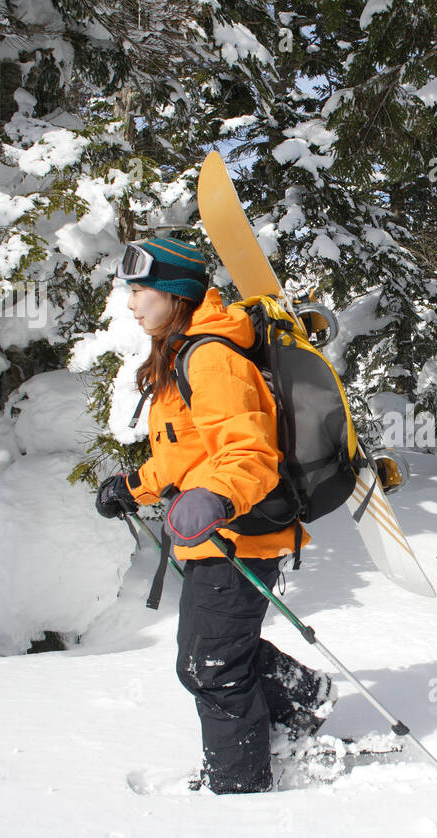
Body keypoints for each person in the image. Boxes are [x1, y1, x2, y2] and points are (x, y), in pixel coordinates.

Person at [92, 237, 333, 794]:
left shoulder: (213, 358)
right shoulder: (184, 354)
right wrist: (133, 487)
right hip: (212, 535)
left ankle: (239, 787)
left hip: (237, 535)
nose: (130, 302)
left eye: (140, 288)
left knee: (211, 668)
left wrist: (216, 498)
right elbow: (187, 450)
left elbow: (250, 454)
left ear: (174, 292)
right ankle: (304, 700)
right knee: (208, 659)